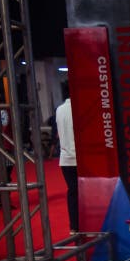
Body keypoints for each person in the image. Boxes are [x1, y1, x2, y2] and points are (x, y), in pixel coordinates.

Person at [55, 81, 78, 234]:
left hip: (65, 158)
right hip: (79, 159)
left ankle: (74, 226)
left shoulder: (59, 110)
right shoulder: (78, 108)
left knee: (72, 192)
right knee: (83, 193)